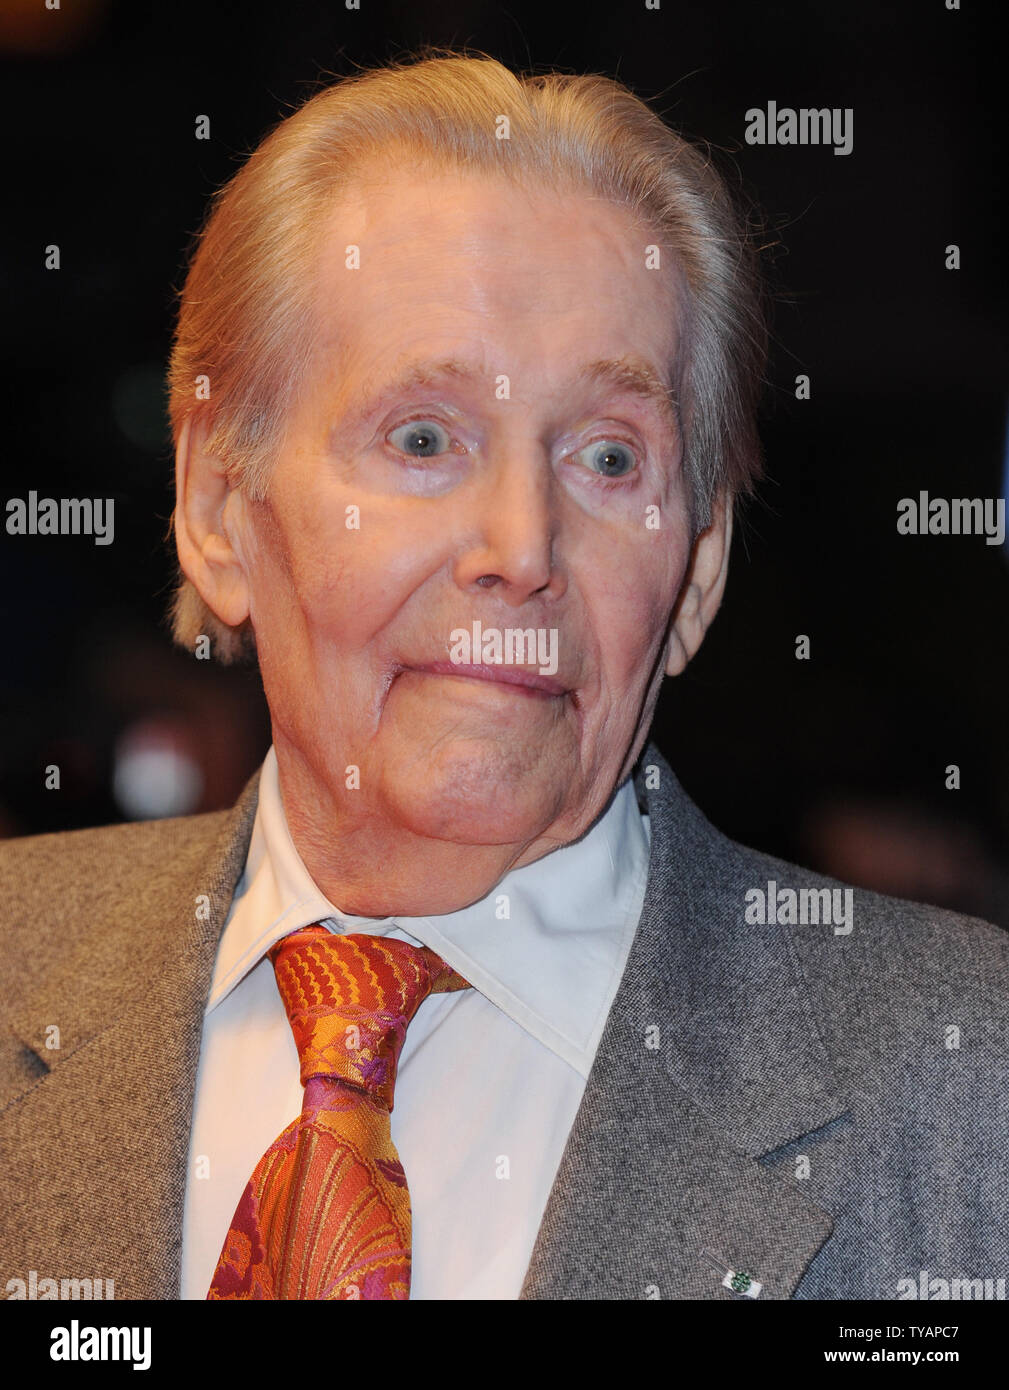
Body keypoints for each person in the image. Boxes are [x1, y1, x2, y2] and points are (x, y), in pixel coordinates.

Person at [2, 51, 1007, 1303]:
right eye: (423, 439)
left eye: (605, 458)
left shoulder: (972, 1087)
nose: (521, 548)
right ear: (217, 506)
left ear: (696, 571)